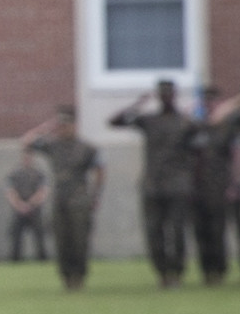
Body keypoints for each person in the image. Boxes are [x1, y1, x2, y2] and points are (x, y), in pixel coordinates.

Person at [110, 79, 198, 287]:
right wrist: (137, 104)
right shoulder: (149, 120)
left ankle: (176, 272)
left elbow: (202, 140)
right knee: (154, 232)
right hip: (153, 185)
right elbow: (115, 122)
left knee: (177, 232)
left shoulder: (185, 122)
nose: (165, 97)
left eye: (169, 93)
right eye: (162, 93)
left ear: (174, 95)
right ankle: (162, 272)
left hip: (177, 185)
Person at [24, 109, 105, 290]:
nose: (63, 129)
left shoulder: (87, 148)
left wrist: (96, 195)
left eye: (66, 125)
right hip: (60, 200)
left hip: (79, 200)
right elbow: (26, 141)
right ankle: (66, 277)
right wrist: (46, 128)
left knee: (79, 240)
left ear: (75, 126)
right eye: (60, 125)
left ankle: (79, 277)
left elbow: (100, 169)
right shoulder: (53, 146)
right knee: (62, 241)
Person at [192, 89, 240, 286]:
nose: (209, 105)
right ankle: (209, 272)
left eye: (213, 101)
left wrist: (234, 184)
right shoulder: (196, 127)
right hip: (198, 188)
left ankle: (220, 270)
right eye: (206, 101)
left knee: (222, 230)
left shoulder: (229, 128)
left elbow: (234, 156)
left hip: (222, 186)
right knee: (203, 231)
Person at [4, 149, 50, 263]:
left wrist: (30, 204)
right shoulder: (14, 174)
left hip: (35, 210)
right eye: (25, 158)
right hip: (18, 210)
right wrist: (20, 205)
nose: (27, 160)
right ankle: (15, 260)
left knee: (39, 236)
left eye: (29, 157)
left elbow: (43, 191)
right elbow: (10, 192)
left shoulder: (39, 174)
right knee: (16, 237)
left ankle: (42, 260)